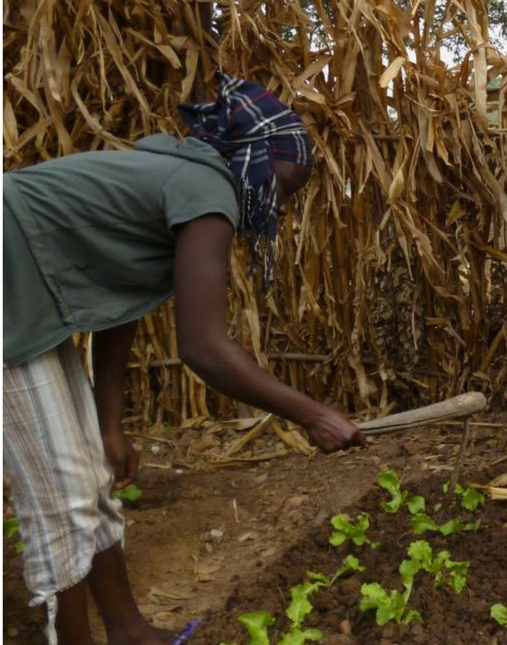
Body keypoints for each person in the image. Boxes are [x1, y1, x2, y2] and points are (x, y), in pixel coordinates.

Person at [2, 75, 366, 645]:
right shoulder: (206, 193)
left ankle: (126, 631)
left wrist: (109, 425)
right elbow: (203, 349)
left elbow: (116, 300)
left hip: (26, 289)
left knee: (90, 480)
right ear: (254, 165)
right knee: (62, 500)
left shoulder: (185, 179)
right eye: (285, 187)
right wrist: (312, 414)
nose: (282, 204)